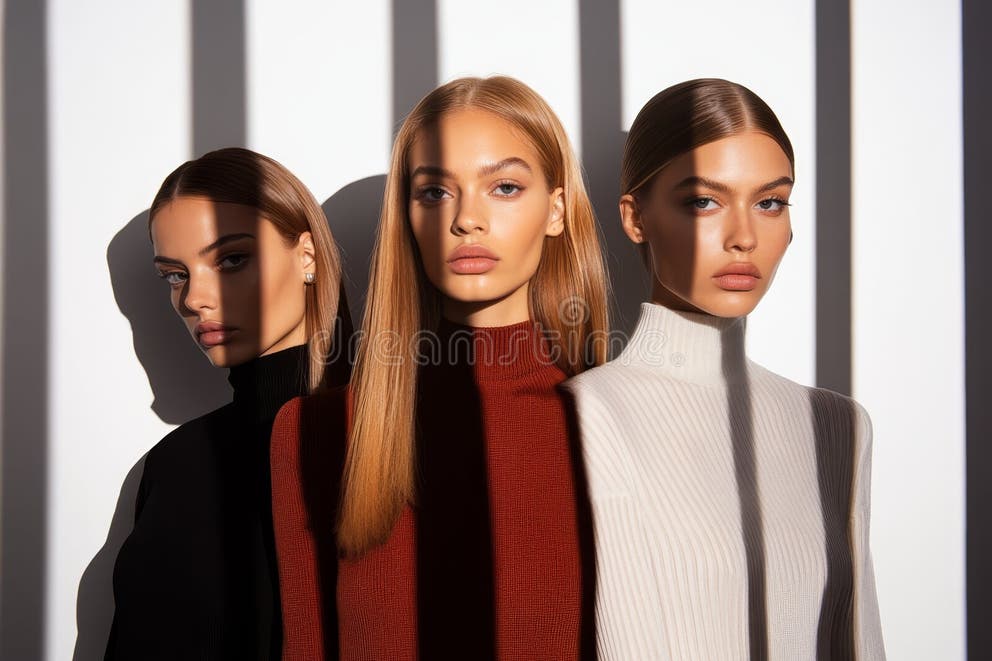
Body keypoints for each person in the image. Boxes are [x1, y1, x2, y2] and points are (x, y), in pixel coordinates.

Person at [270, 76, 609, 660]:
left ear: (555, 211)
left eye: (503, 187)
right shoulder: (315, 430)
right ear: (406, 215)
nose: (466, 220)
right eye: (434, 193)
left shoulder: (617, 425)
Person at [565, 78, 886, 660]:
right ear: (635, 218)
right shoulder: (586, 413)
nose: (744, 237)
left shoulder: (838, 426)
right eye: (703, 201)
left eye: (770, 202)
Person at [106, 147, 351, 660]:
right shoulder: (175, 466)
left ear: (306, 254)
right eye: (175, 274)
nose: (194, 298)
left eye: (231, 259)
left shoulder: (397, 433)